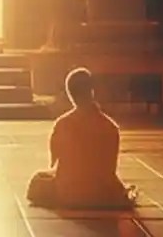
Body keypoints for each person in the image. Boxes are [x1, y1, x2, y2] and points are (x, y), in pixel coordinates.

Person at [27, 67, 136, 209]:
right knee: (123, 190)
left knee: (38, 181)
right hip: (100, 195)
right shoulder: (110, 127)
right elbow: (109, 171)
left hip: (68, 194)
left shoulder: (62, 124)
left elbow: (54, 162)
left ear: (69, 93)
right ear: (92, 91)